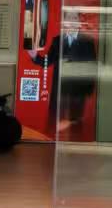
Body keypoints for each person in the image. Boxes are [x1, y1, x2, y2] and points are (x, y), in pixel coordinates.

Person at [31, 10, 97, 139]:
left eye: (74, 18)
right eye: (68, 18)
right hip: (59, 89)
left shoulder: (87, 42)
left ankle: (75, 145)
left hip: (77, 91)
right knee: (55, 121)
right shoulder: (57, 41)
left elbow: (91, 68)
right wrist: (35, 56)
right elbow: (47, 61)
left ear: (79, 22)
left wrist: (88, 89)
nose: (71, 21)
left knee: (75, 123)